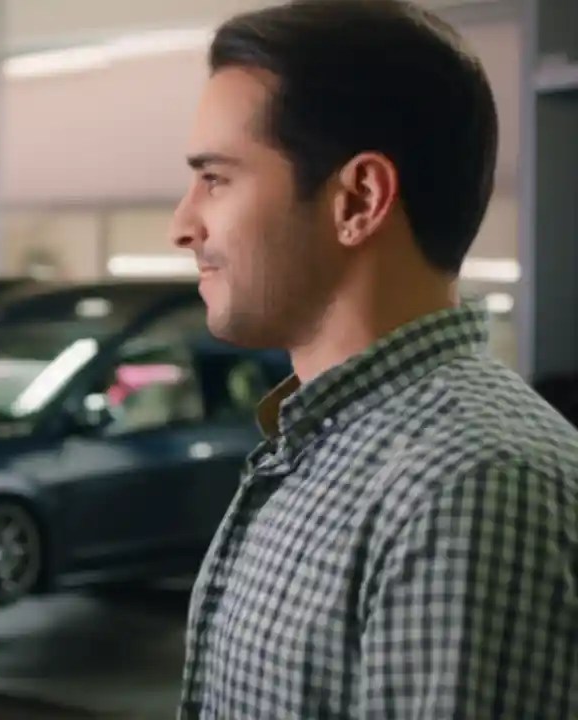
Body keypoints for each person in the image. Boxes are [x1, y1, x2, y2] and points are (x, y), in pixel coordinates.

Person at [169, 1, 578, 717]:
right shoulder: (327, 450)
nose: (183, 224)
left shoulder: (468, 487)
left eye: (217, 179)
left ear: (358, 199)